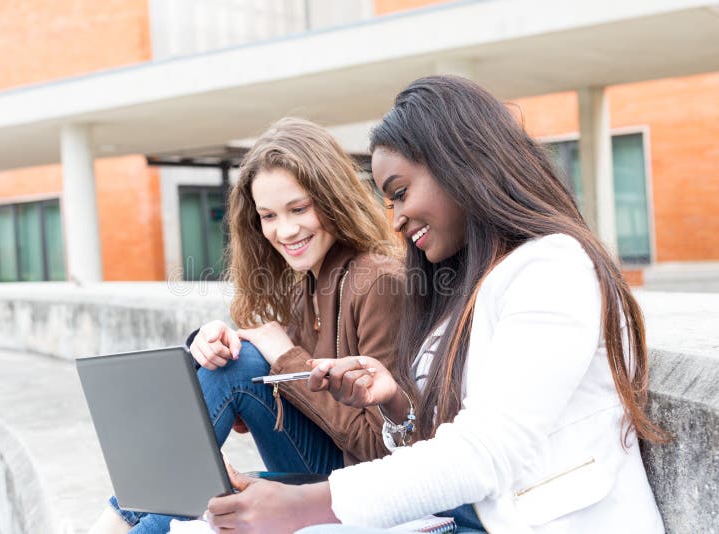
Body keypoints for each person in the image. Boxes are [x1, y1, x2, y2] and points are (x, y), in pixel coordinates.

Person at [202, 76, 667, 534]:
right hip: (457, 514)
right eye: (390, 201)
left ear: (461, 166)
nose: (398, 219)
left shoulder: (552, 269)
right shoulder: (458, 290)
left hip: (530, 521)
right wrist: (394, 404)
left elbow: (484, 454)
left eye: (401, 193)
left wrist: (304, 506)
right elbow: (428, 447)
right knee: (215, 518)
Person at [89, 117, 405, 534]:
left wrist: (281, 357)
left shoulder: (377, 282)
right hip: (321, 465)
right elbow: (277, 397)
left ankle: (114, 521)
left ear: (332, 199)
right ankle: (124, 516)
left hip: (363, 484)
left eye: (299, 208)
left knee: (235, 383)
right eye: (268, 215)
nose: (285, 230)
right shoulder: (307, 283)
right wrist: (210, 345)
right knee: (205, 483)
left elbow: (384, 446)